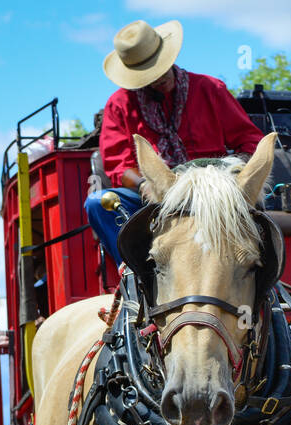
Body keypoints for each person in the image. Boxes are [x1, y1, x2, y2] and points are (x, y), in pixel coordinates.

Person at [84, 19, 265, 265]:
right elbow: (119, 167)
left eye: (160, 69)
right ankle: (133, 276)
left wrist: (234, 175)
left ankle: (263, 283)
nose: (158, 79)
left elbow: (250, 140)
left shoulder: (210, 88)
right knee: (97, 204)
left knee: (265, 207)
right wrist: (145, 185)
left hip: (216, 192)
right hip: (158, 195)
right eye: (149, 76)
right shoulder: (119, 104)